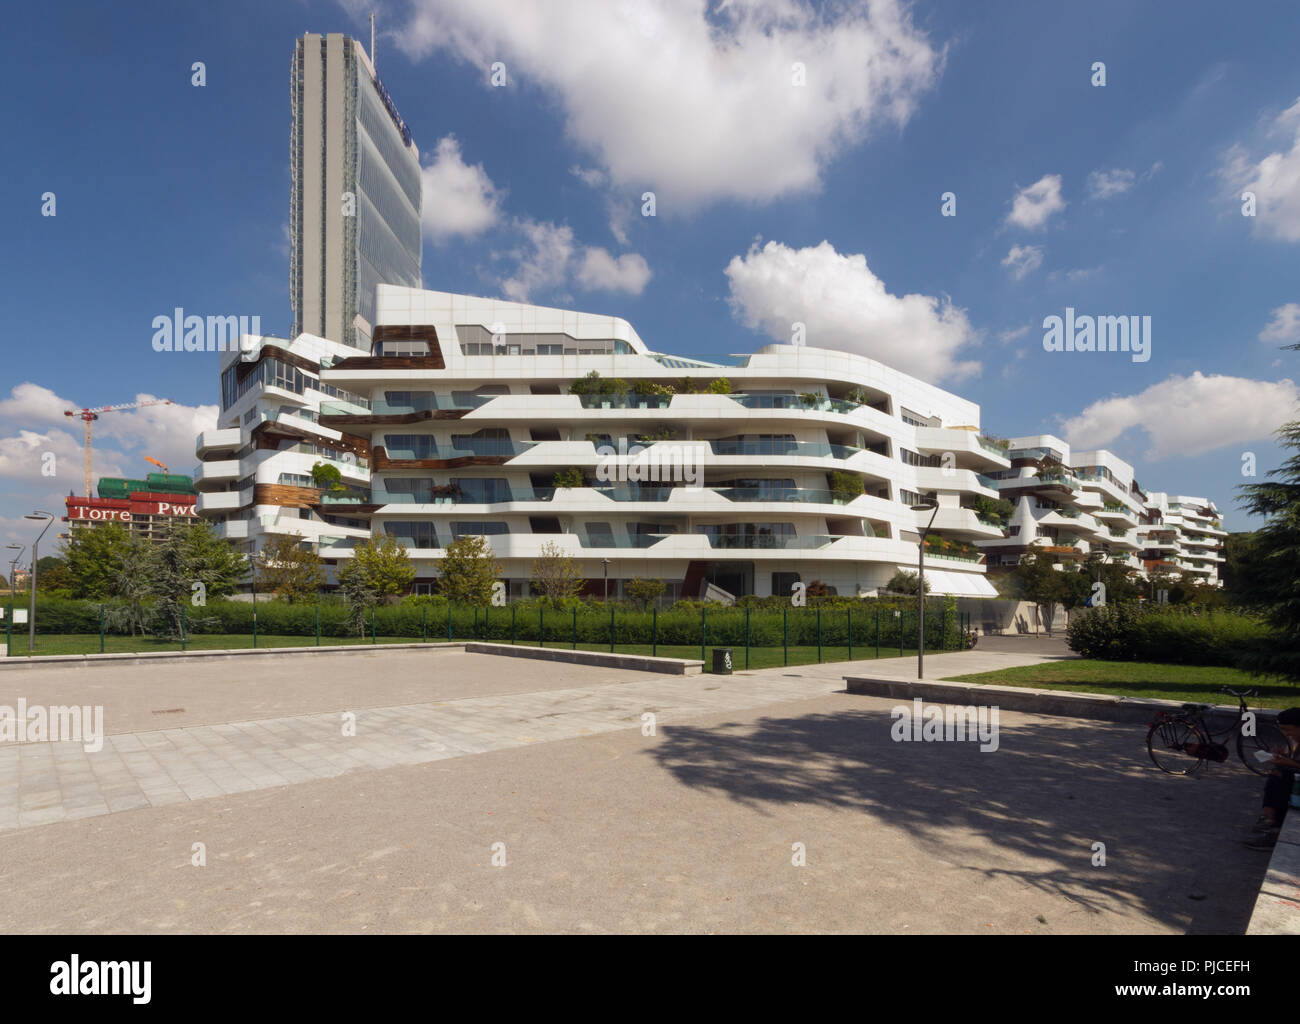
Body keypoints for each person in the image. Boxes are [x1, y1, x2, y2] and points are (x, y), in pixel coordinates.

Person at [1245, 708, 1300, 850]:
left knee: (1280, 777)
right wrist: (1284, 757)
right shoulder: (1296, 740)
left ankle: (1269, 819)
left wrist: (1286, 762)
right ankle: (1269, 819)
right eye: (1283, 730)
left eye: (1288, 730)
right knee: (1279, 775)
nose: (1286, 734)